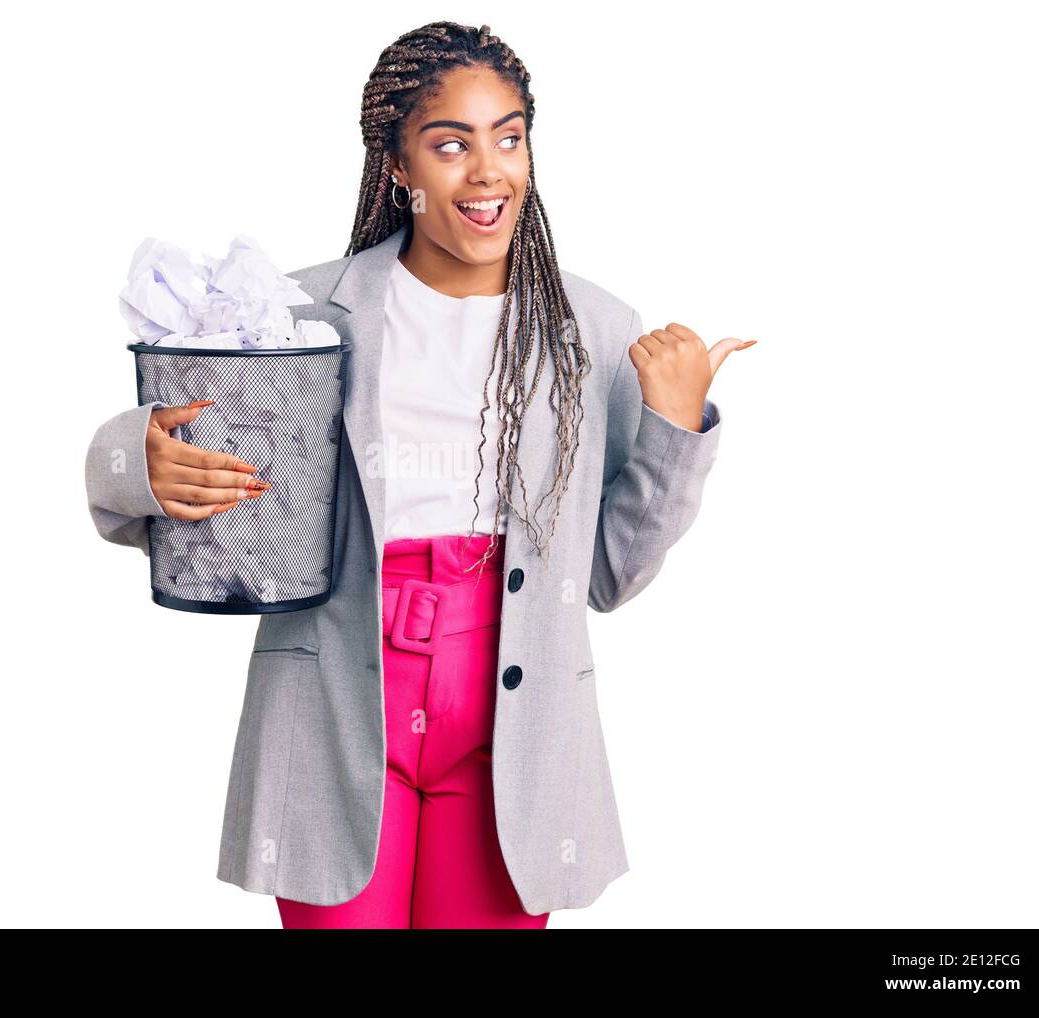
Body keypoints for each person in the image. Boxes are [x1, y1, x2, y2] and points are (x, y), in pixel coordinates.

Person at [85, 21, 753, 929]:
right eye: (451, 145)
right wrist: (143, 459)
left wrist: (677, 427)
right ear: (399, 163)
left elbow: (608, 576)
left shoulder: (593, 331)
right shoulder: (304, 312)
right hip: (337, 699)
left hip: (510, 721)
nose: (488, 171)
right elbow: (161, 476)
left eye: (508, 137)